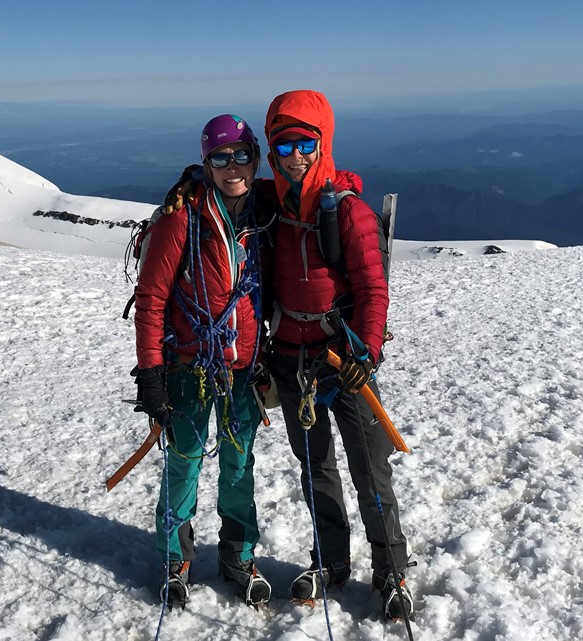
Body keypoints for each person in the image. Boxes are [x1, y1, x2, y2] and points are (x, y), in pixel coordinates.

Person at [261, 90, 414, 620]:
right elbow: (226, 191)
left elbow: (373, 289)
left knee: (370, 466)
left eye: (306, 143)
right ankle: (331, 560)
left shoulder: (349, 212)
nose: (295, 156)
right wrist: (191, 183)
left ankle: (390, 567)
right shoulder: (270, 208)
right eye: (283, 147)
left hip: (342, 360)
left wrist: (366, 353)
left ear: (323, 144)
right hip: (291, 360)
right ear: (272, 152)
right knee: (316, 468)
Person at [132, 114, 275, 609]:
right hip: (189, 366)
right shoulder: (181, 217)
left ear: (255, 159)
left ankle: (238, 554)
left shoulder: (267, 211)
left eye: (241, 155)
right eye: (220, 157)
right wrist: (151, 374)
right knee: (185, 464)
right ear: (205, 162)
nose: (232, 166)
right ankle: (176, 560)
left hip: (244, 367)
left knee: (239, 465)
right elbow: (151, 300)